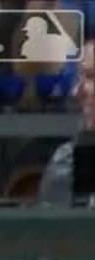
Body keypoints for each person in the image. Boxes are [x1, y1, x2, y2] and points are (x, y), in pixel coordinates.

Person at [38, 33, 95, 205]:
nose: (76, 91)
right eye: (79, 78)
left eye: (90, 77)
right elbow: (58, 229)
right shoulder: (70, 161)